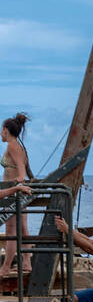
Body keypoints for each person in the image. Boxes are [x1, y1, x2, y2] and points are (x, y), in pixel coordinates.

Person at [0, 113, 33, 279]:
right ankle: (26, 262)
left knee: (11, 230)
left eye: (1, 130)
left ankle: (5, 267)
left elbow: (21, 172)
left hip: (14, 193)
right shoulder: (17, 145)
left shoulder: (13, 146)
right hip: (17, 193)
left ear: (5, 130)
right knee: (22, 228)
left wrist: (17, 185)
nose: (0, 133)